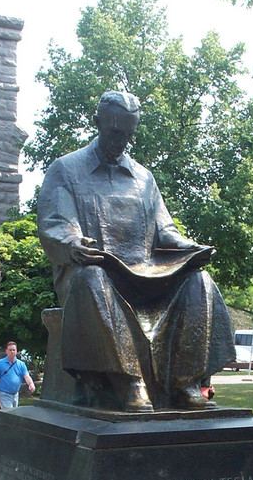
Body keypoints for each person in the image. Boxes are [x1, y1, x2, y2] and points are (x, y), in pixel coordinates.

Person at [38, 91, 235, 412]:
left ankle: (184, 382)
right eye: (116, 133)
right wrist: (75, 244)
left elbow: (165, 231)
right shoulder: (66, 170)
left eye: (129, 134)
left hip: (145, 275)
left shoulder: (144, 179)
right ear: (97, 123)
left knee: (200, 281)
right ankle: (129, 382)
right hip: (92, 274)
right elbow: (56, 224)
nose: (123, 142)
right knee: (92, 277)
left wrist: (188, 249)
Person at [0, 341, 35, 409]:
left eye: (14, 350)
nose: (12, 352)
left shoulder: (21, 364)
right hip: (4, 394)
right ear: (6, 351)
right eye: (10, 350)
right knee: (10, 413)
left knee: (12, 416)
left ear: (16, 351)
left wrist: (31, 384)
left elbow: (26, 376)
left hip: (15, 395)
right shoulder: (0, 363)